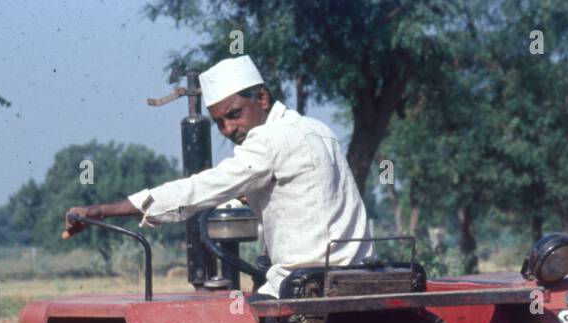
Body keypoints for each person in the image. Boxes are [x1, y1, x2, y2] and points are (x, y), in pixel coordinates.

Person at [62, 54, 372, 297]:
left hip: (303, 286)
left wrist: (103, 210)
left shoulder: (268, 139)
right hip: (359, 277)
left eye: (234, 114)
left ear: (262, 99)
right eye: (219, 122)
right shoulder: (319, 129)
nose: (228, 129)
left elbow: (198, 190)